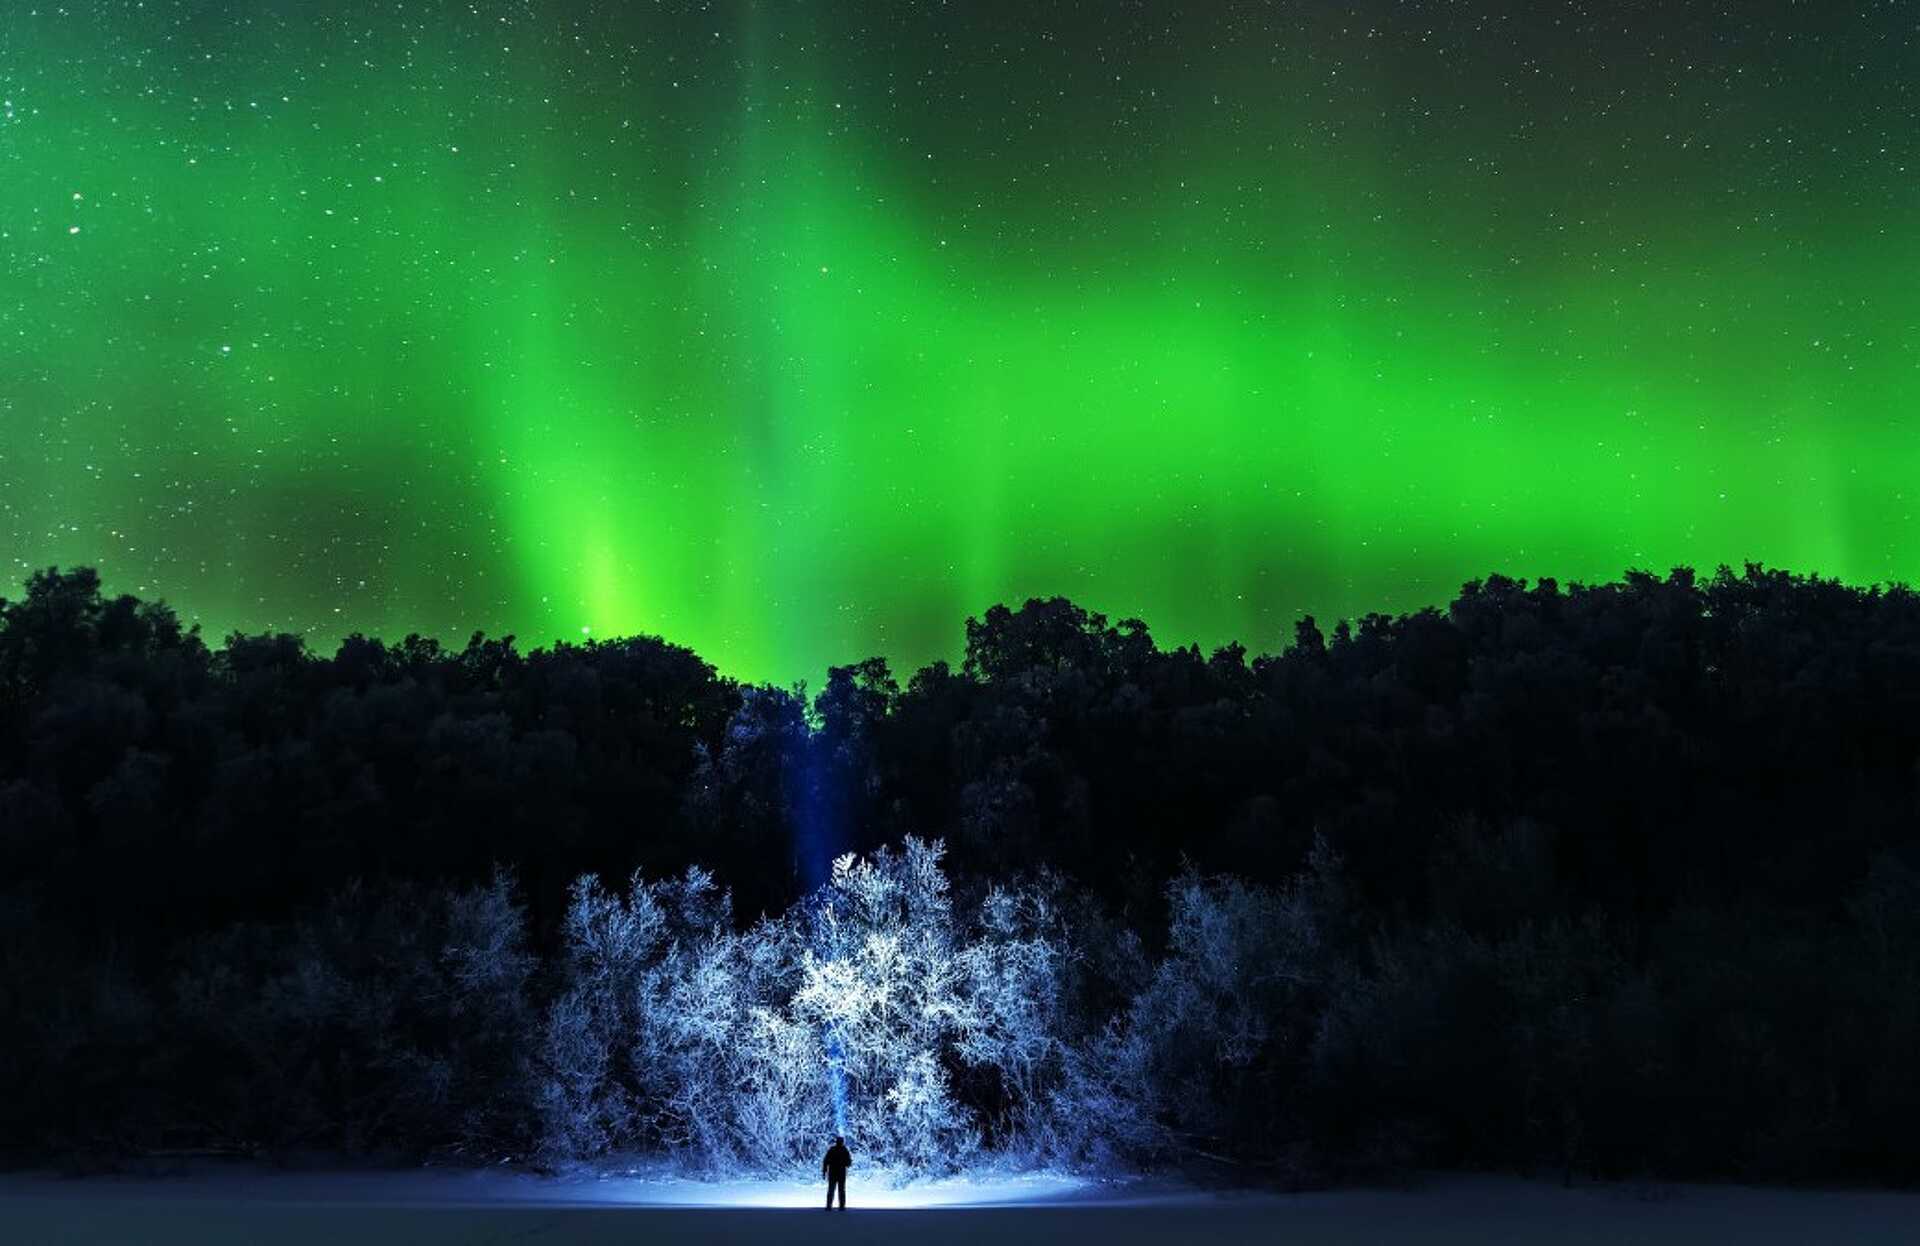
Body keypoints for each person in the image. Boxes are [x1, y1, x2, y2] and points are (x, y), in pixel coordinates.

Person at [822, 1135, 852, 1209]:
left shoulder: (832, 1150)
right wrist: (845, 1164)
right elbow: (849, 1162)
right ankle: (841, 1206)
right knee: (841, 1190)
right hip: (841, 1172)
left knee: (832, 1189)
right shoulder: (844, 1150)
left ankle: (829, 1205)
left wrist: (824, 1171)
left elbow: (825, 1161)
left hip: (833, 1172)